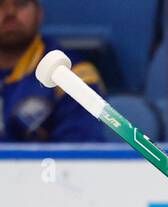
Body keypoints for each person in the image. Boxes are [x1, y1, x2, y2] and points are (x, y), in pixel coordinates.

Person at [0, 0, 104, 142]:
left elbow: (79, 155)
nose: (10, 12)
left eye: (20, 3)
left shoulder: (72, 74)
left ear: (39, 13)